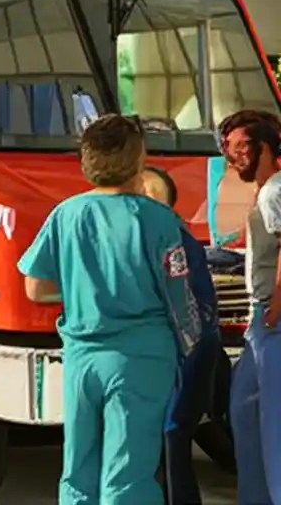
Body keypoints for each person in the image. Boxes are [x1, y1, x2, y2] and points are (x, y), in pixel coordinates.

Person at [17, 114, 198, 504]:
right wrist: (194, 347)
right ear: (139, 159)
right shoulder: (159, 220)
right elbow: (178, 295)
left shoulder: (65, 215)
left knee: (78, 470)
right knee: (128, 473)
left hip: (82, 356)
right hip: (142, 358)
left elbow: (35, 287)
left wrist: (83, 289)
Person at [141, 166, 221, 505]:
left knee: (171, 437)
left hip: (186, 352)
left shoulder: (170, 239)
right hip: (188, 350)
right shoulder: (170, 234)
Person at [218, 109, 281, 505]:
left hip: (272, 316)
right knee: (245, 411)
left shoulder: (275, 190)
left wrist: (276, 301)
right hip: (261, 320)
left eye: (242, 147)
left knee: (272, 424)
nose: (234, 156)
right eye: (229, 148)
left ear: (267, 146)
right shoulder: (266, 190)